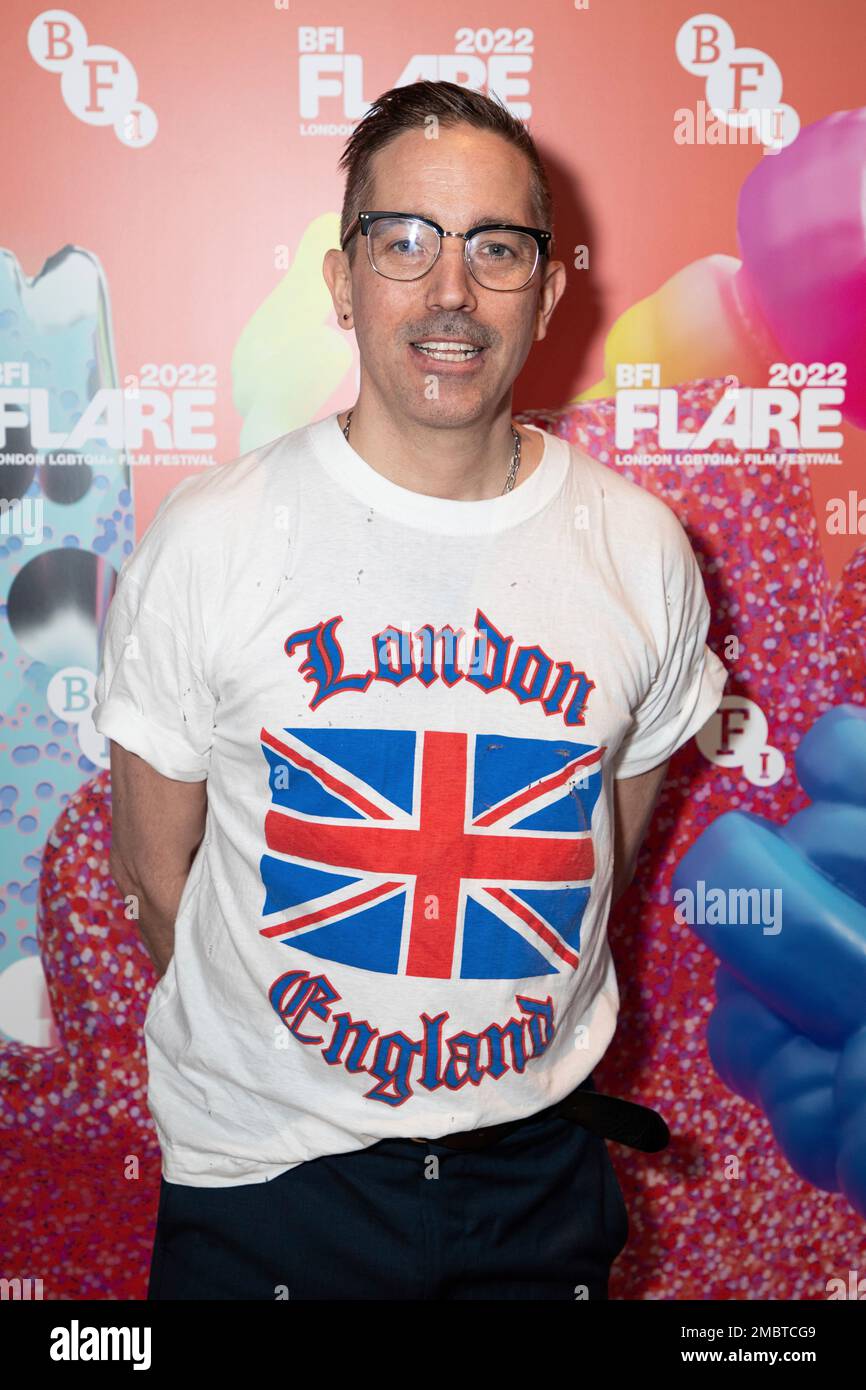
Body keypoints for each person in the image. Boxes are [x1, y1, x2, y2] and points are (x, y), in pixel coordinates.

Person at [93, 79, 728, 1301]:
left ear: (546, 291)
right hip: (268, 1182)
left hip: (536, 1186)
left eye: (495, 248)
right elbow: (155, 875)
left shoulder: (638, 549)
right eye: (403, 242)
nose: (450, 292)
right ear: (342, 282)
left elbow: (601, 842)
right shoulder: (212, 537)